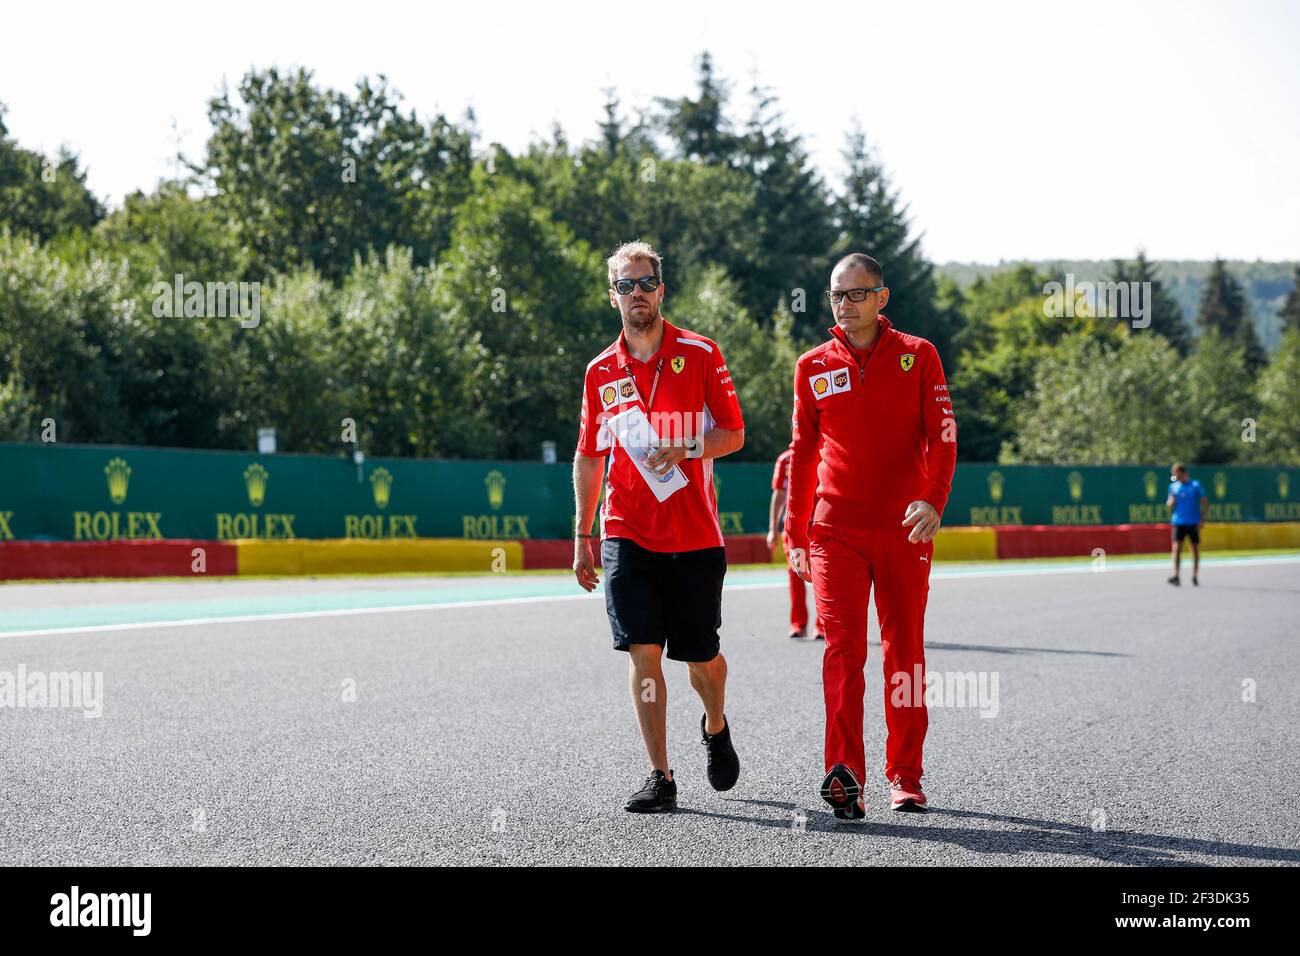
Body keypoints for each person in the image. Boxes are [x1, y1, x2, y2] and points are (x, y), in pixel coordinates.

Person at [572, 240, 746, 813]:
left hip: (694, 534)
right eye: (625, 285)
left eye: (645, 283)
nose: (636, 293)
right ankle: (660, 775)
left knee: (701, 661)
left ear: (661, 289)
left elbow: (734, 433)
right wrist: (583, 535)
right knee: (642, 650)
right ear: (611, 295)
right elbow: (591, 455)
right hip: (627, 531)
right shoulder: (601, 371)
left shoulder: (700, 354)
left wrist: (688, 447)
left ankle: (716, 725)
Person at [784, 253, 957, 819]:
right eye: (837, 295)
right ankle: (845, 774)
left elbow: (944, 436)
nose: (845, 305)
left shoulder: (919, 355)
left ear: (882, 298)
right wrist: (796, 532)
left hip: (905, 531)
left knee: (904, 655)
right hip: (834, 531)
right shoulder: (812, 365)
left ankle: (905, 775)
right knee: (842, 649)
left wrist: (932, 498)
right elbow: (804, 452)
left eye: (857, 294)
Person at [768, 449, 824, 640]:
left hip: (821, 525)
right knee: (796, 572)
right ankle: (798, 624)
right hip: (793, 527)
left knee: (824, 575)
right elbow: (778, 494)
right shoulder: (785, 460)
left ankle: (822, 625)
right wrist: (772, 528)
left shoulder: (827, 454)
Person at [1166, 462, 1208, 587]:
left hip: (1193, 522)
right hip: (1178, 522)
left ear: (1183, 473)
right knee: (1176, 549)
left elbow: (1205, 503)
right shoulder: (1173, 487)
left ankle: (1195, 576)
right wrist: (1171, 502)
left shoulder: (1195, 486)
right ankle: (1176, 575)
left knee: (1194, 550)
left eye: (1177, 473)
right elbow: (1169, 503)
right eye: (1174, 474)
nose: (1175, 476)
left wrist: (1202, 519)